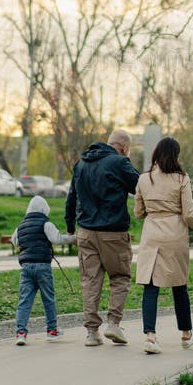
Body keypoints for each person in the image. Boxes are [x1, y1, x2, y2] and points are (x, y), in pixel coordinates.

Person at [134, 137, 193, 354]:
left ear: (156, 154)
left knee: (150, 286)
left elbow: (138, 213)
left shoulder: (144, 179)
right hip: (175, 234)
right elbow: (189, 213)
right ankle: (186, 334)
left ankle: (150, 337)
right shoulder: (181, 179)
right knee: (179, 285)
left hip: (152, 234)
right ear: (175, 155)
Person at [66, 129, 139, 347]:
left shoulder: (81, 163)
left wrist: (70, 226)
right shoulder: (119, 163)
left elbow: (72, 196)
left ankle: (91, 332)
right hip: (113, 232)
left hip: (85, 232)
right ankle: (114, 324)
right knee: (120, 277)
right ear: (125, 147)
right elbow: (140, 187)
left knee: (90, 281)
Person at [11, 194, 76, 346]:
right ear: (44, 209)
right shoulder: (46, 224)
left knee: (24, 300)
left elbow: (15, 241)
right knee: (48, 298)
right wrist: (73, 238)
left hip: (26, 267)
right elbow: (57, 239)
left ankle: (21, 333)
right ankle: (52, 330)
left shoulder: (20, 225)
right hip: (43, 266)